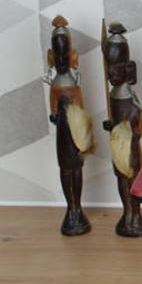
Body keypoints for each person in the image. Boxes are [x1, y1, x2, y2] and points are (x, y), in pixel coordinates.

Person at [45, 16, 92, 236]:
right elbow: (54, 110)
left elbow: (79, 108)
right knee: (66, 169)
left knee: (76, 168)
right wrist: (57, 115)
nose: (63, 61)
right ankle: (72, 209)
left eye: (66, 56)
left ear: (73, 57)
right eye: (58, 56)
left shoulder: (74, 85)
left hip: (74, 134)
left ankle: (77, 209)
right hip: (63, 135)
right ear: (51, 57)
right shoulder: (56, 85)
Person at [102, 23, 142, 237]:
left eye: (118, 67)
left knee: (131, 177)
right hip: (117, 146)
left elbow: (136, 129)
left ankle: (135, 216)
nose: (112, 73)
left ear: (129, 69)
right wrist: (112, 126)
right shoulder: (113, 95)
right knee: (121, 178)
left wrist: (124, 129)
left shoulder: (130, 98)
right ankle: (127, 214)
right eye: (109, 67)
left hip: (129, 149)